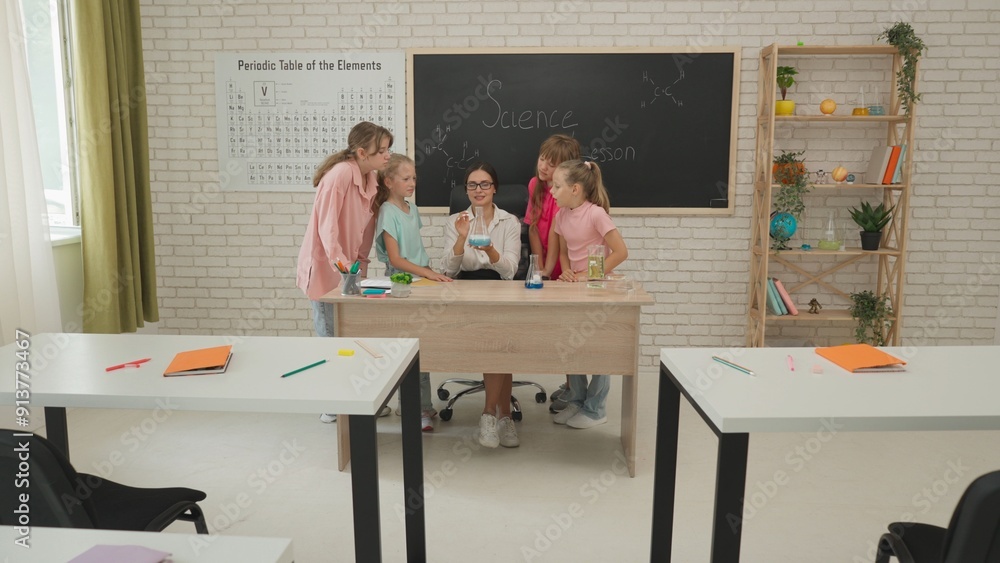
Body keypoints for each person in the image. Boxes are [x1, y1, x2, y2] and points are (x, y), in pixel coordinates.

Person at [296, 121, 393, 423]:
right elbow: (328, 230)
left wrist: (360, 267)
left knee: (354, 337)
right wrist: (345, 269)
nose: (388, 156)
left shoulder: (371, 177)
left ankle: (358, 400)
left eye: (389, 150)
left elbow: (365, 228)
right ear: (362, 153)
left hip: (350, 271)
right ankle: (333, 405)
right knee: (331, 336)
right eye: (382, 151)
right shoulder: (339, 176)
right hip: (327, 270)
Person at [440, 162, 521, 448]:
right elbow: (448, 270)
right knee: (494, 344)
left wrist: (489, 249)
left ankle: (495, 415)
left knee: (499, 344)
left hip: (502, 288)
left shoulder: (509, 222)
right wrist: (462, 239)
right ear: (466, 190)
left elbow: (510, 270)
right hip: (465, 287)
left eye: (485, 184)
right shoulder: (454, 221)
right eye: (472, 185)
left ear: (494, 188)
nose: (478, 190)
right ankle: (499, 415)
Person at [373, 153, 452, 431]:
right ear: (388, 181)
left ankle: (421, 405)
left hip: (421, 279)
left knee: (423, 345)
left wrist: (430, 273)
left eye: (414, 178)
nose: (412, 183)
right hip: (403, 283)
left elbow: (416, 249)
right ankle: (416, 408)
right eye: (405, 178)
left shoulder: (411, 209)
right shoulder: (386, 211)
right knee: (410, 349)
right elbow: (396, 259)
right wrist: (427, 273)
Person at [550, 159, 629, 429]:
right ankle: (577, 398)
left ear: (575, 189)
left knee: (598, 347)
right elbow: (564, 251)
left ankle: (596, 409)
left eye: (557, 186)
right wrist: (569, 272)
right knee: (572, 342)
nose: (551, 190)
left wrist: (589, 276)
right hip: (576, 288)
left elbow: (621, 252)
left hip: (597, 288)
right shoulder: (561, 215)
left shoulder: (596, 214)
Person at [526, 134, 581, 411]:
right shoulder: (535, 185)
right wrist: (539, 267)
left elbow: (560, 235)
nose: (544, 167)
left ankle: (574, 386)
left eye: (552, 163)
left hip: (567, 263)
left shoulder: (566, 191)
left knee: (571, 327)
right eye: (542, 159)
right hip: (546, 261)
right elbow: (534, 226)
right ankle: (572, 385)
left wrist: (551, 268)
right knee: (555, 327)